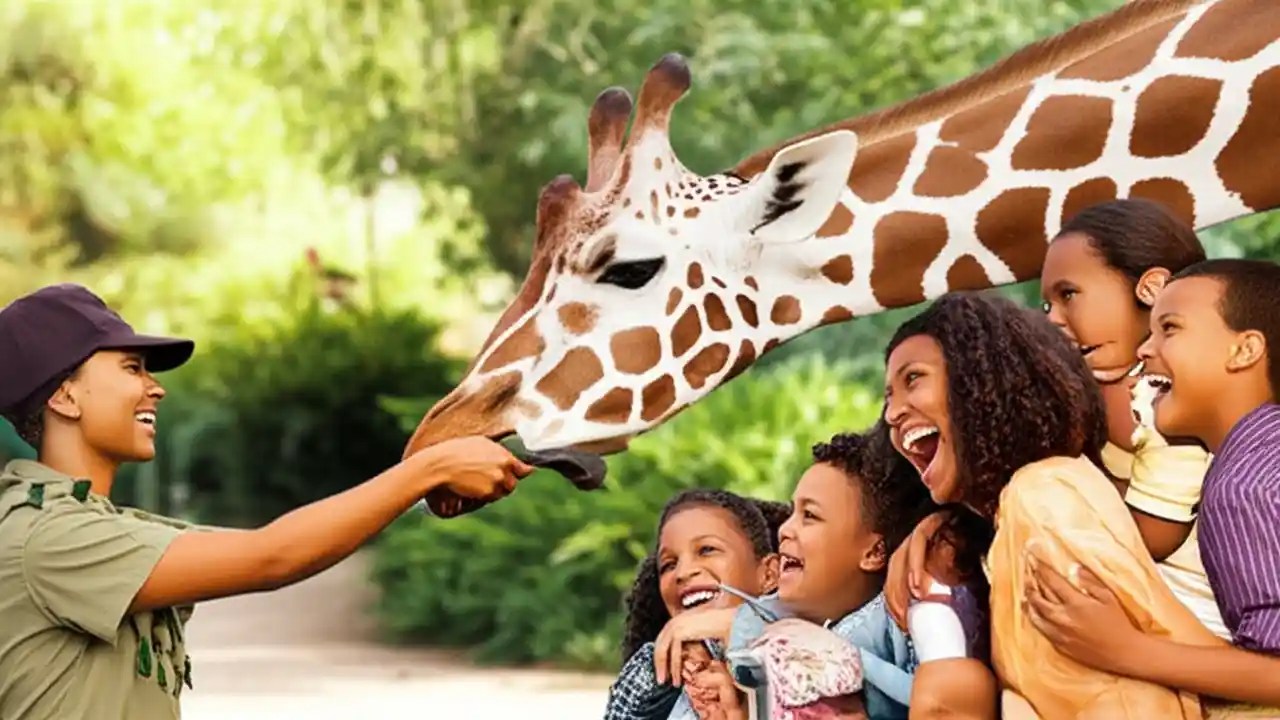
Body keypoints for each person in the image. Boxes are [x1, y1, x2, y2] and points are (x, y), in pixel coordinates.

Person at [0, 284, 532, 720]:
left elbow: (291, 541)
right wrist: (430, 468)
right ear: (63, 396)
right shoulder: (50, 537)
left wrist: (422, 489)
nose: (155, 388)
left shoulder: (97, 524)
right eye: (132, 368)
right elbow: (273, 556)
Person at [881, 291, 1220, 719]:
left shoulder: (1043, 493)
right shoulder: (1015, 517)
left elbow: (1156, 655)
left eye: (914, 378)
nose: (892, 413)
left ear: (981, 381)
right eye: (888, 396)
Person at [1024, 259, 1280, 713]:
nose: (1145, 349)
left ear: (1245, 351)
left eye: (1170, 328)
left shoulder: (1242, 488)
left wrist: (1125, 650)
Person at [1037, 199, 1224, 636]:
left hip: (1199, 609)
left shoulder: (1171, 393)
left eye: (1068, 295)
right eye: (1046, 307)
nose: (1053, 322)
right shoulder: (1101, 386)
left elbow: (1155, 539)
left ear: (1152, 289)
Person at [604, 488, 787, 720]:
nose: (683, 572)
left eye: (707, 550)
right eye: (669, 564)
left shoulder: (804, 644)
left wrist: (734, 623)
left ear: (769, 574)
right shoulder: (654, 680)